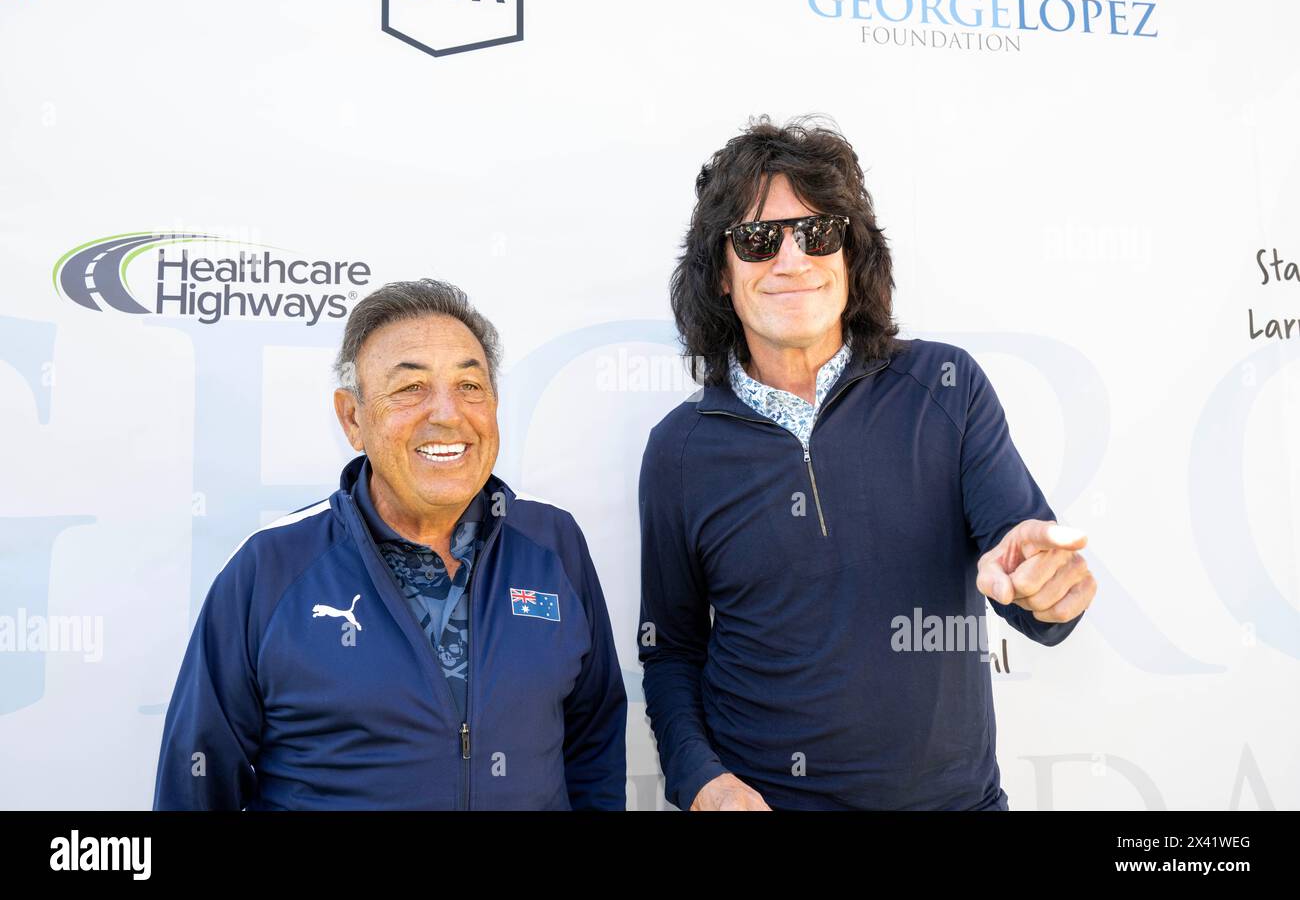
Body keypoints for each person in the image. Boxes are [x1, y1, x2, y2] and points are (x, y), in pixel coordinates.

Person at [638, 115, 1097, 810]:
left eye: (819, 233)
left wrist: (1047, 590)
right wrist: (702, 780)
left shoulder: (946, 389)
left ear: (851, 257)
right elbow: (671, 650)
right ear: (721, 277)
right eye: (759, 241)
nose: (792, 260)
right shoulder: (677, 449)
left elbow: (1035, 593)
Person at [154, 278, 626, 809]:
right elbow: (195, 784)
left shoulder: (553, 544)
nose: (448, 413)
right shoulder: (270, 569)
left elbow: (594, 743)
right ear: (352, 418)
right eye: (410, 388)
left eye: (470, 386)